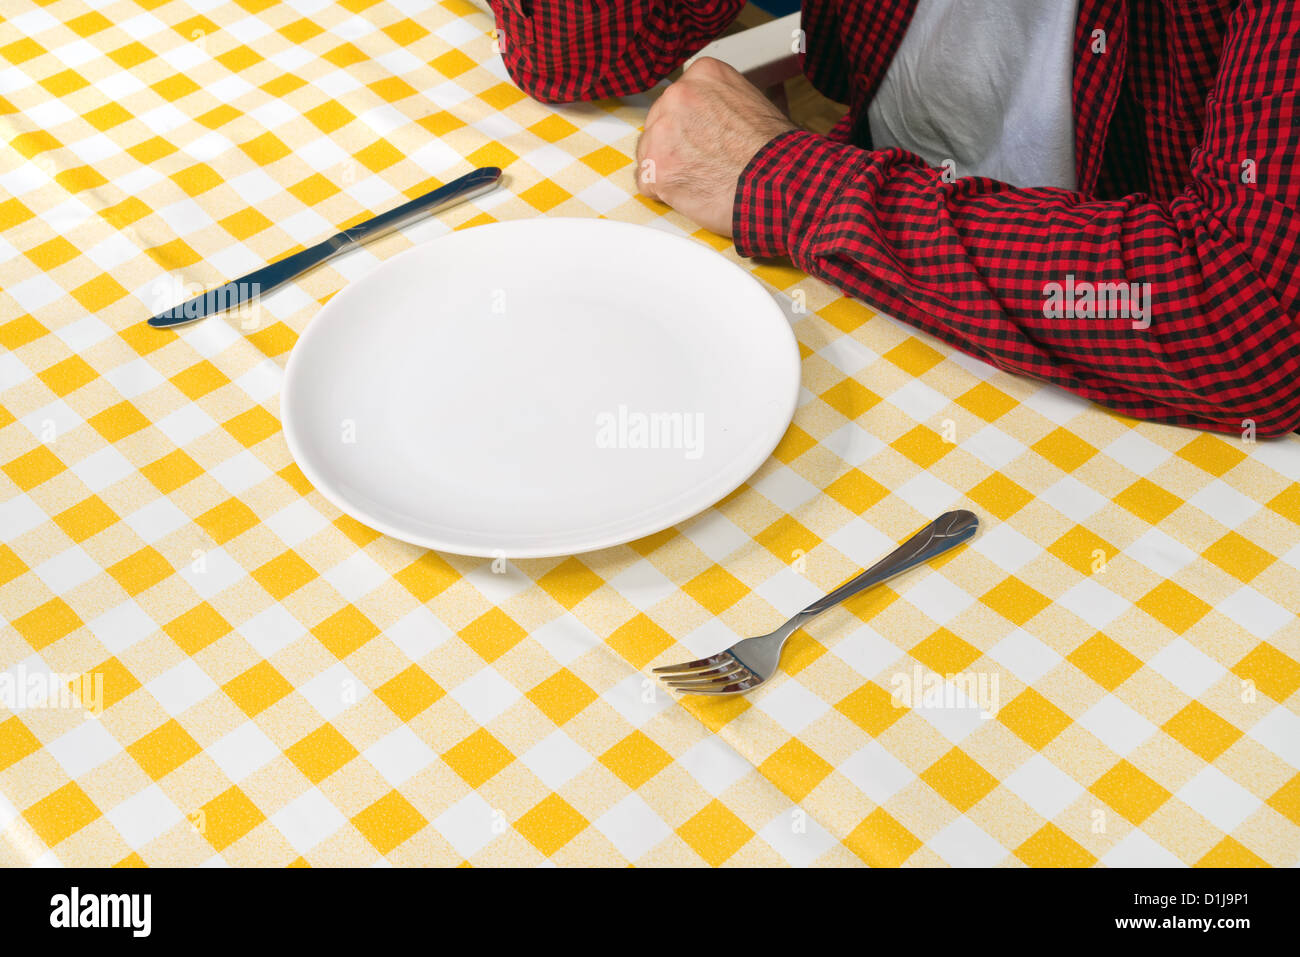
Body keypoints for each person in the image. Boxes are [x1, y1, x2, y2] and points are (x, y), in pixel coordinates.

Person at [485, 0, 1300, 438]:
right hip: (886, 306)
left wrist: (788, 180)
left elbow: (1251, 314)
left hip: (1147, 399)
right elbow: (579, 54)